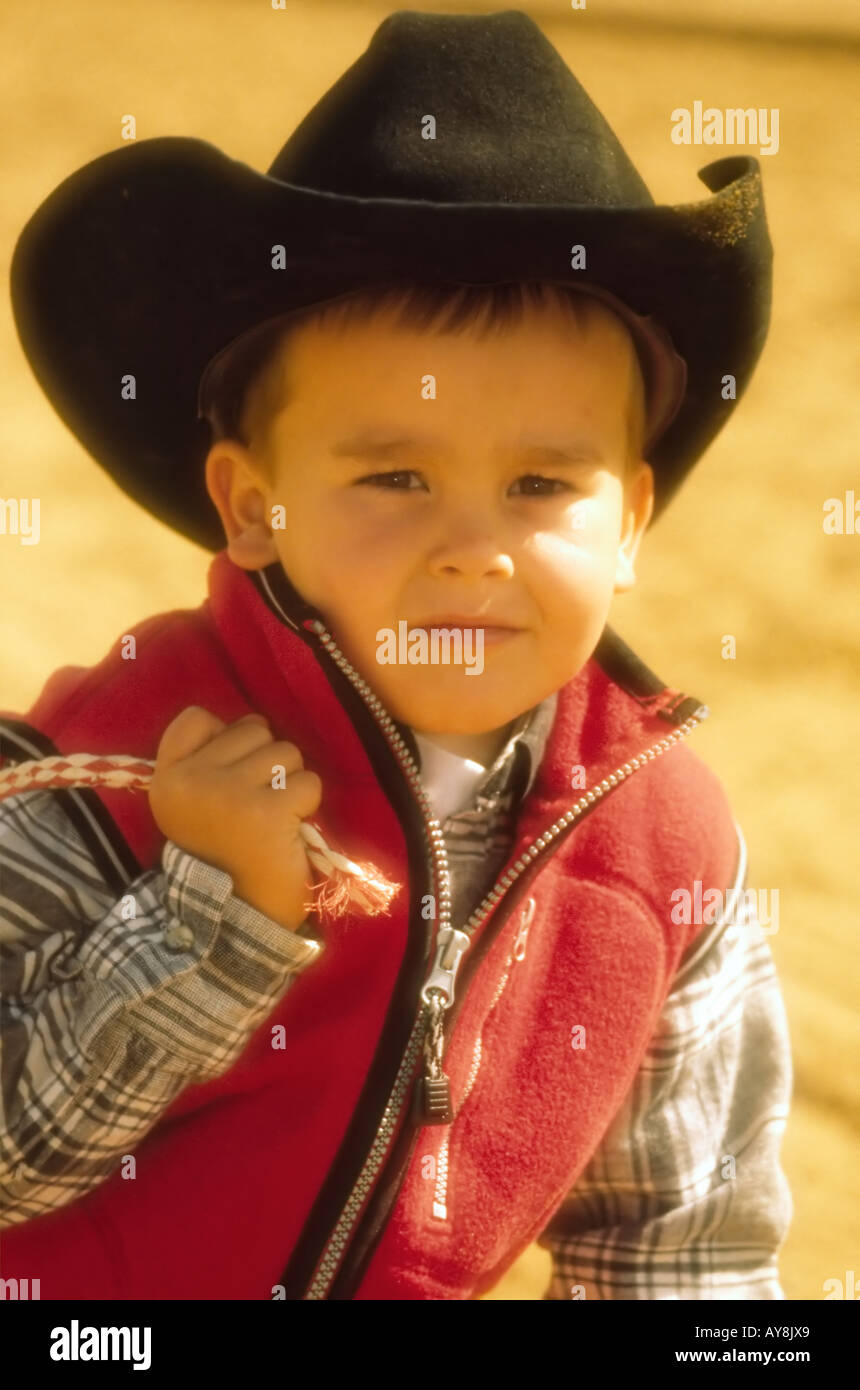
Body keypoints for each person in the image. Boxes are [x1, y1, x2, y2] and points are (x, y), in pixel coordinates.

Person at [0, 10, 792, 1300]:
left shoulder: (662, 848)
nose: (474, 548)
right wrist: (211, 919)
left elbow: (681, 1241)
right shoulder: (109, 775)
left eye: (541, 481)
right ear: (254, 502)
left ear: (633, 518)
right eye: (397, 476)